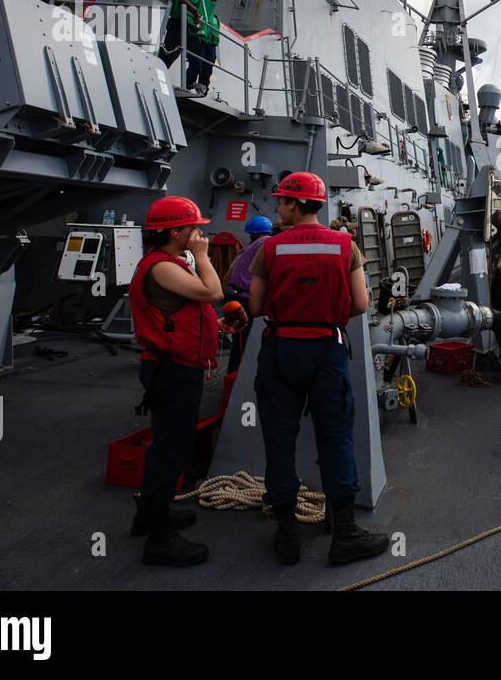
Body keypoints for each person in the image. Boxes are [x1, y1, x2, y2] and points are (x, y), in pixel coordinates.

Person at [248, 171, 388, 566]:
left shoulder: (269, 248)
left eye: (281, 202)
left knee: (279, 440)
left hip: (280, 352)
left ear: (295, 205)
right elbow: (360, 305)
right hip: (327, 349)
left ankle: (288, 536)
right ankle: (344, 534)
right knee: (335, 438)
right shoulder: (347, 246)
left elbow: (256, 308)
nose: (278, 207)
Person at [127, 196, 222, 567]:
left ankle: (151, 513)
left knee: (169, 443)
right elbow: (212, 292)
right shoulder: (161, 266)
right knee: (171, 448)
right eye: (192, 227)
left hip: (179, 365)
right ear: (173, 231)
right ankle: (159, 539)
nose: (199, 232)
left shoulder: (167, 264)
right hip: (172, 369)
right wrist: (203, 255)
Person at [224, 215, 272, 373]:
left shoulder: (247, 248)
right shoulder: (264, 243)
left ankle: (232, 377)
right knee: (244, 343)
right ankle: (236, 379)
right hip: (244, 299)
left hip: (234, 296)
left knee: (239, 343)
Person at [159, 0, 207, 74]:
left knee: (176, 51)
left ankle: (161, 71)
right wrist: (195, 12)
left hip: (185, 24)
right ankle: (157, 70)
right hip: (177, 22)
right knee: (170, 50)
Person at [185, 0, 220, 95]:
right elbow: (190, 23)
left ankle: (203, 87)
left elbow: (216, 33)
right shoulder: (196, 12)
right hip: (197, 39)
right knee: (196, 64)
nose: (213, 2)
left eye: (214, 0)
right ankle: (188, 84)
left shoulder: (215, 18)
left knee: (208, 66)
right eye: (211, 0)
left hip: (210, 44)